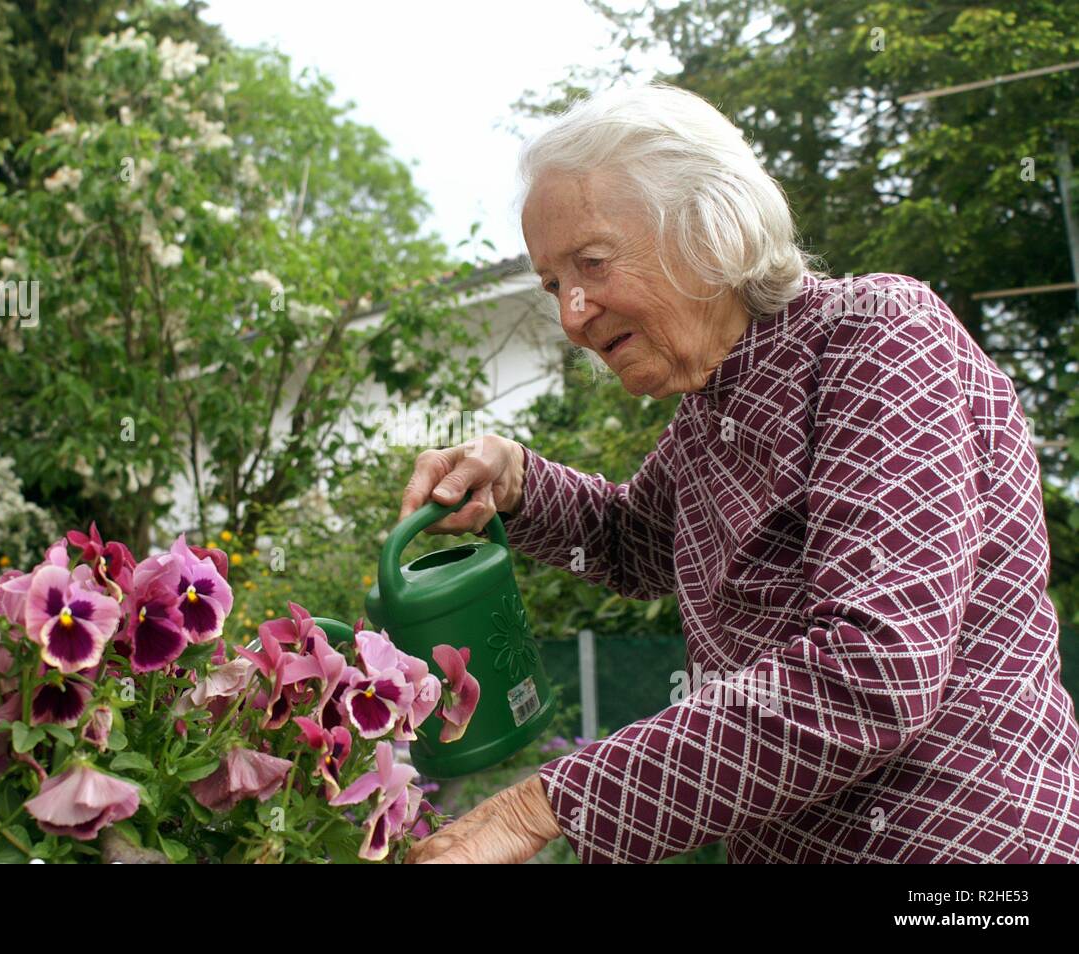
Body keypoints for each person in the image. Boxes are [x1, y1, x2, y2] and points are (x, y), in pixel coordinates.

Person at [403, 84, 1079, 864]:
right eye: (555, 285)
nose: (572, 317)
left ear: (711, 229)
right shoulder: (713, 411)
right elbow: (633, 541)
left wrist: (540, 807)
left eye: (591, 263)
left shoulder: (880, 339)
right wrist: (517, 480)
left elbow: (874, 674)